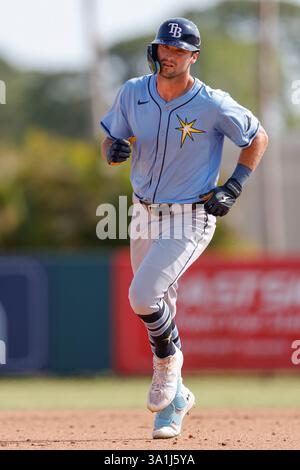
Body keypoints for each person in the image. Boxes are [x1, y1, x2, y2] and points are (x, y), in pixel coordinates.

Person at [101, 17, 268, 439]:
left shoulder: (212, 102)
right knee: (160, 305)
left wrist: (234, 185)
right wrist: (113, 149)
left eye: (178, 51)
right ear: (155, 50)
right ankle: (174, 404)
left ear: (193, 57)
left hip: (190, 215)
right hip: (142, 212)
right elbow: (110, 141)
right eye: (164, 48)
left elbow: (257, 137)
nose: (169, 56)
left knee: (142, 295)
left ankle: (166, 365)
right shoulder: (133, 92)